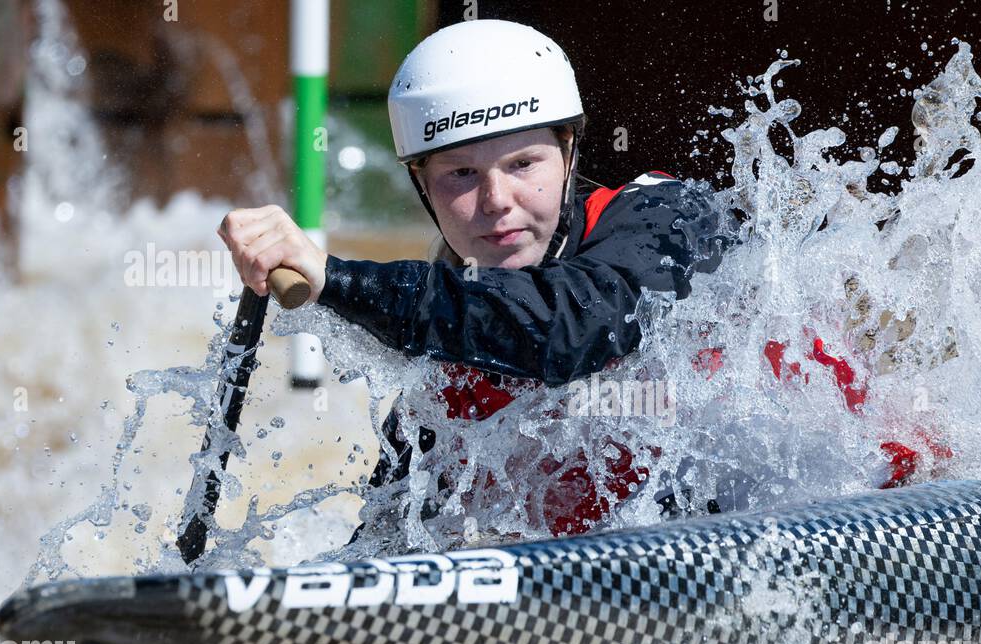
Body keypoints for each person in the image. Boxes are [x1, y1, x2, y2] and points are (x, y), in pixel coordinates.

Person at [217, 19, 729, 539]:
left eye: (523, 163)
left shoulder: (667, 217)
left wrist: (336, 278)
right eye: (461, 174)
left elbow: (573, 327)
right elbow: (387, 549)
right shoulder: (450, 372)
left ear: (569, 151)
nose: (496, 201)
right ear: (423, 186)